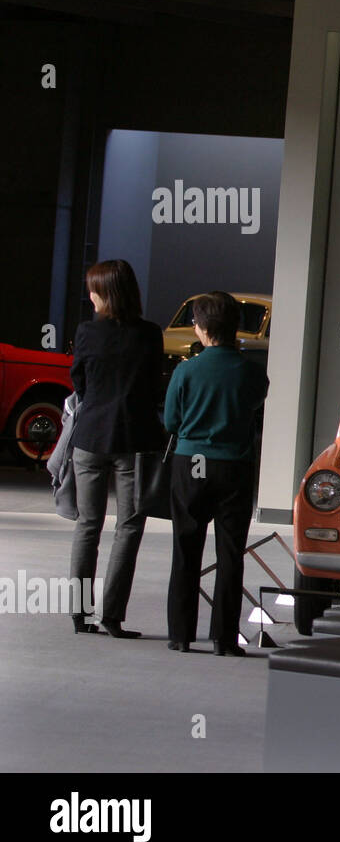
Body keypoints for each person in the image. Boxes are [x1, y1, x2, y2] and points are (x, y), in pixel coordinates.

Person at [163, 292, 269, 656]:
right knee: (230, 553)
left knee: (186, 549)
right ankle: (224, 638)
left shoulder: (185, 370)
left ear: (203, 328)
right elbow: (255, 405)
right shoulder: (252, 373)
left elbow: (171, 421)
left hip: (190, 464)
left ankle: (180, 635)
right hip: (234, 466)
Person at [68, 259, 165, 637]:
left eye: (93, 288)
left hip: (90, 438)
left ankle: (79, 615)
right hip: (133, 439)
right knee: (129, 527)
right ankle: (112, 617)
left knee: (87, 525)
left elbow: (79, 383)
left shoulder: (88, 333)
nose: (89, 294)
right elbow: (155, 388)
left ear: (104, 294)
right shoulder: (149, 334)